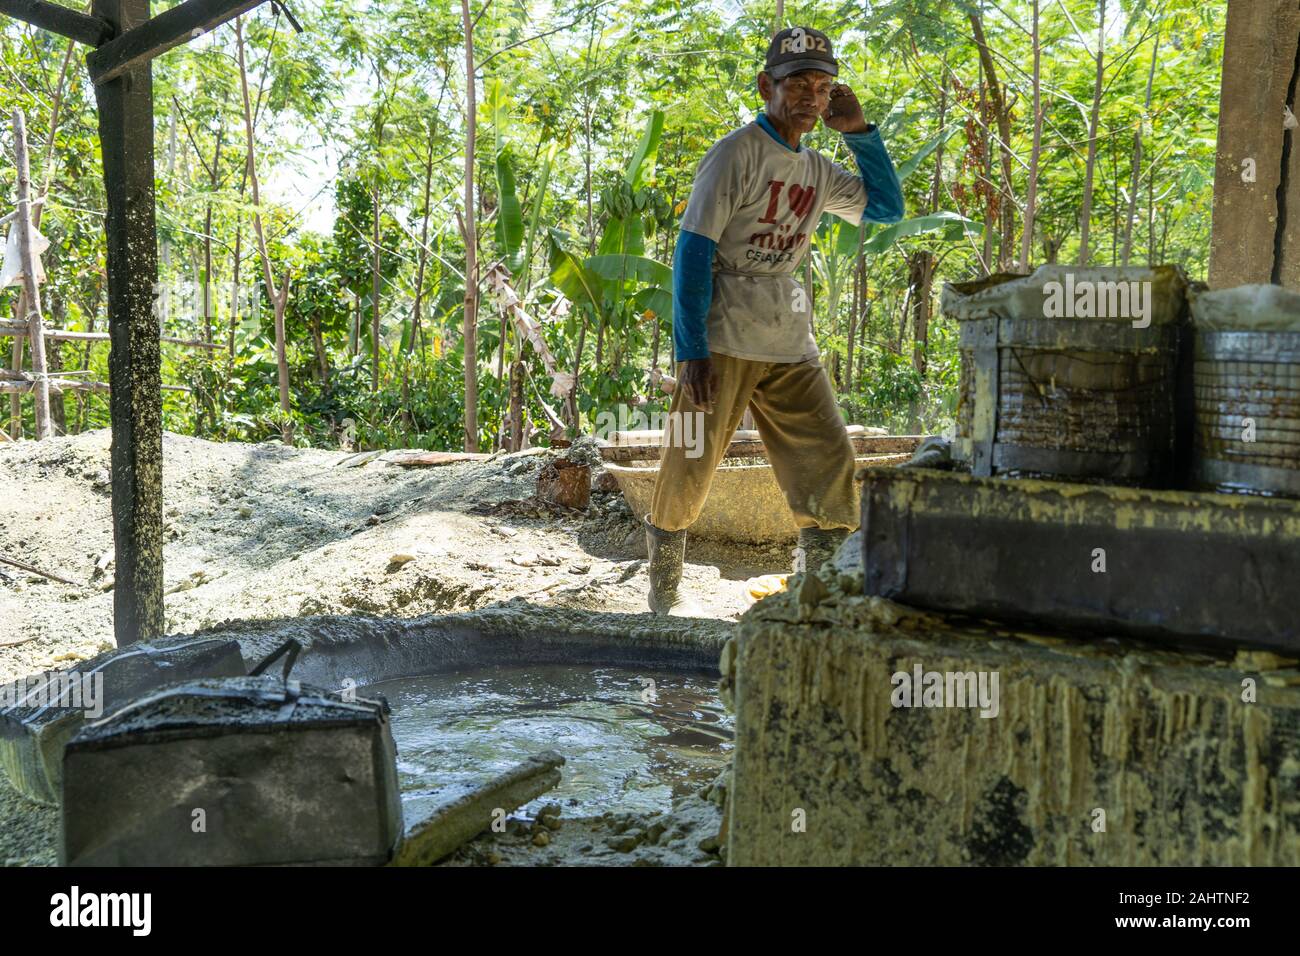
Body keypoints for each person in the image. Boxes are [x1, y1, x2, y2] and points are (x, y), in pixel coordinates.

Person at [645, 25, 905, 615]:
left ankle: (813, 597)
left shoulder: (815, 168)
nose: (811, 96)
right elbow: (693, 250)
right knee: (687, 459)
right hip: (720, 338)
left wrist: (860, 133)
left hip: (789, 339)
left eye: (822, 84)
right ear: (767, 86)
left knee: (830, 461)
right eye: (797, 84)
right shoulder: (736, 153)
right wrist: (691, 351)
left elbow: (886, 209)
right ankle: (662, 597)